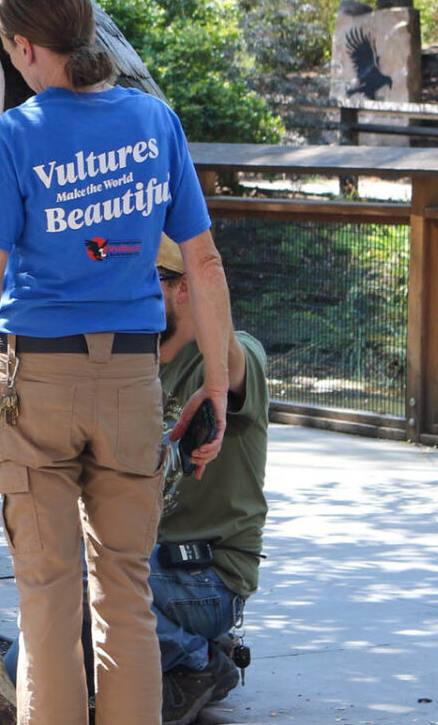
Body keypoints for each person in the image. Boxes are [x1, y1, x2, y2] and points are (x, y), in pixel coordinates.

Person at [0, 0, 236, 725]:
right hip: (132, 380)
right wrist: (218, 386)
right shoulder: (152, 122)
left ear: (26, 45)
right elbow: (202, 261)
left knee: (46, 598)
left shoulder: (13, 137)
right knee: (124, 594)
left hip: (37, 382)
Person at [153, 235, 269, 725]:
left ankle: (198, 658)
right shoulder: (127, 360)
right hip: (140, 562)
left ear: (186, 289)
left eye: (147, 278)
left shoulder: (232, 357)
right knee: (27, 669)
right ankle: (181, 651)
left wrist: (205, 275)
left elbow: (235, 364)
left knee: (88, 587)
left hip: (208, 577)